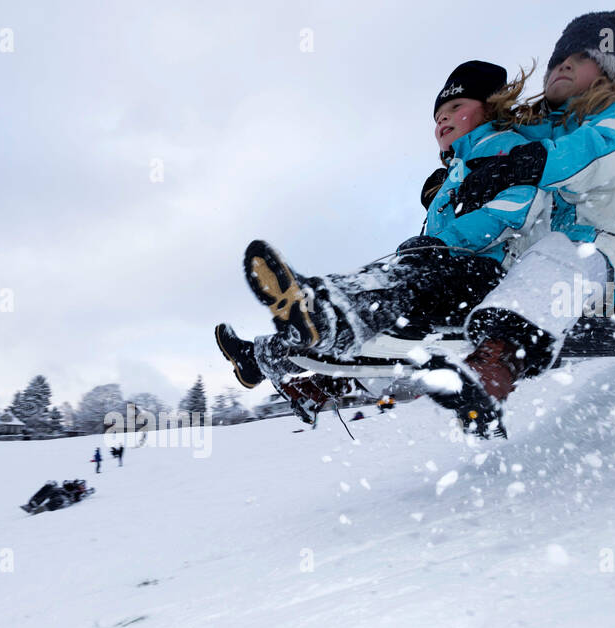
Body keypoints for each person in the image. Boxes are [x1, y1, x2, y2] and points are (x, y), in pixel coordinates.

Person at [216, 59, 546, 406]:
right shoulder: (457, 170)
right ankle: (261, 356)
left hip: (487, 279)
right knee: (371, 293)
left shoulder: (509, 149)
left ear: (490, 107)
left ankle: (324, 317)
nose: (443, 120)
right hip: (444, 275)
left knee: (381, 296)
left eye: (455, 107)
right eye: (437, 117)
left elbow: (514, 209)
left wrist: (442, 245)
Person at [414, 11, 615, 435]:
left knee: (561, 251)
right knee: (451, 272)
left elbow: (597, 150)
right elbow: (488, 143)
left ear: (610, 73)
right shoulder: (534, 127)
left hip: (602, 254)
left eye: (582, 58)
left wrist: (528, 163)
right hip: (524, 265)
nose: (564, 64)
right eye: (559, 59)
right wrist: (463, 174)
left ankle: (493, 368)